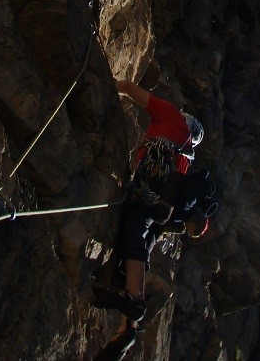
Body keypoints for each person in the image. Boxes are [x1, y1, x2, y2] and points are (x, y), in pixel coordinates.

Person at [92, 80, 216, 360]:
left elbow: (131, 90)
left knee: (135, 229)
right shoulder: (184, 161)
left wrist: (110, 84)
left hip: (149, 188)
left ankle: (134, 301)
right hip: (162, 207)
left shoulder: (173, 118)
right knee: (142, 239)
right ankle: (128, 325)